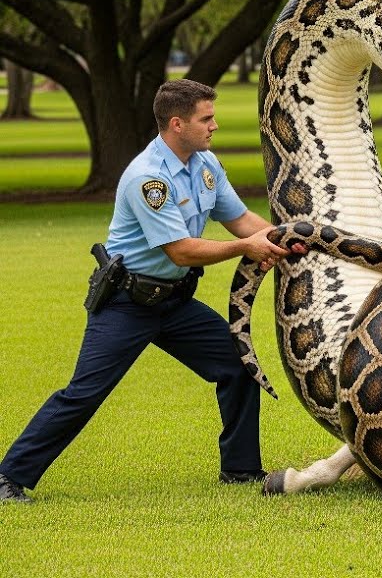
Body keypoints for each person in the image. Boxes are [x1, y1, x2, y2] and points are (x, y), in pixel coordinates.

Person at [0, 79, 302, 504]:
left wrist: (284, 239)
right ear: (177, 124)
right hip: (127, 303)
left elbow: (239, 220)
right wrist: (246, 248)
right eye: (206, 118)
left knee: (238, 366)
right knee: (84, 393)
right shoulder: (148, 178)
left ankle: (240, 469)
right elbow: (181, 251)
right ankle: (8, 476)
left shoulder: (205, 165)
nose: (214, 125)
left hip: (175, 303)